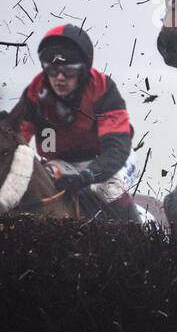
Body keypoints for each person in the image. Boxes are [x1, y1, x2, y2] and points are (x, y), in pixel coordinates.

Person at [7, 24, 140, 221]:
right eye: (52, 70)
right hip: (63, 162)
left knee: (108, 188)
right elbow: (17, 140)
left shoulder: (102, 88)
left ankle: (140, 239)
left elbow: (116, 149)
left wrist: (88, 175)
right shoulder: (36, 92)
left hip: (109, 158)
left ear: (83, 71)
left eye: (68, 71)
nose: (59, 79)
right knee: (39, 183)